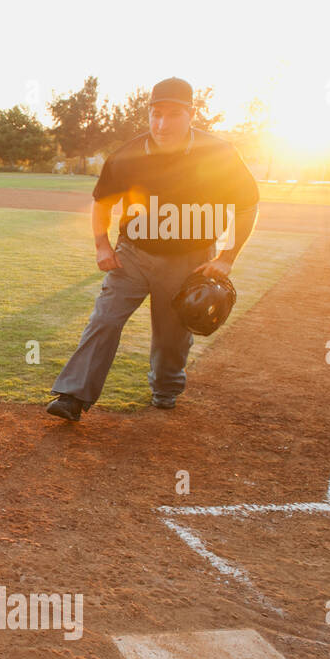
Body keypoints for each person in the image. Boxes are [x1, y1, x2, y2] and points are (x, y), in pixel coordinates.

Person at [46, 77, 259, 421]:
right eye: (156, 114)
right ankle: (73, 396)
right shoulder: (128, 154)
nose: (162, 124)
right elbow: (102, 202)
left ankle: (166, 389)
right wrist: (102, 245)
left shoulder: (218, 153)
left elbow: (248, 205)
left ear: (191, 113)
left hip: (190, 260)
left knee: (172, 336)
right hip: (133, 254)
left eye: (173, 114)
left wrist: (227, 257)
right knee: (105, 319)